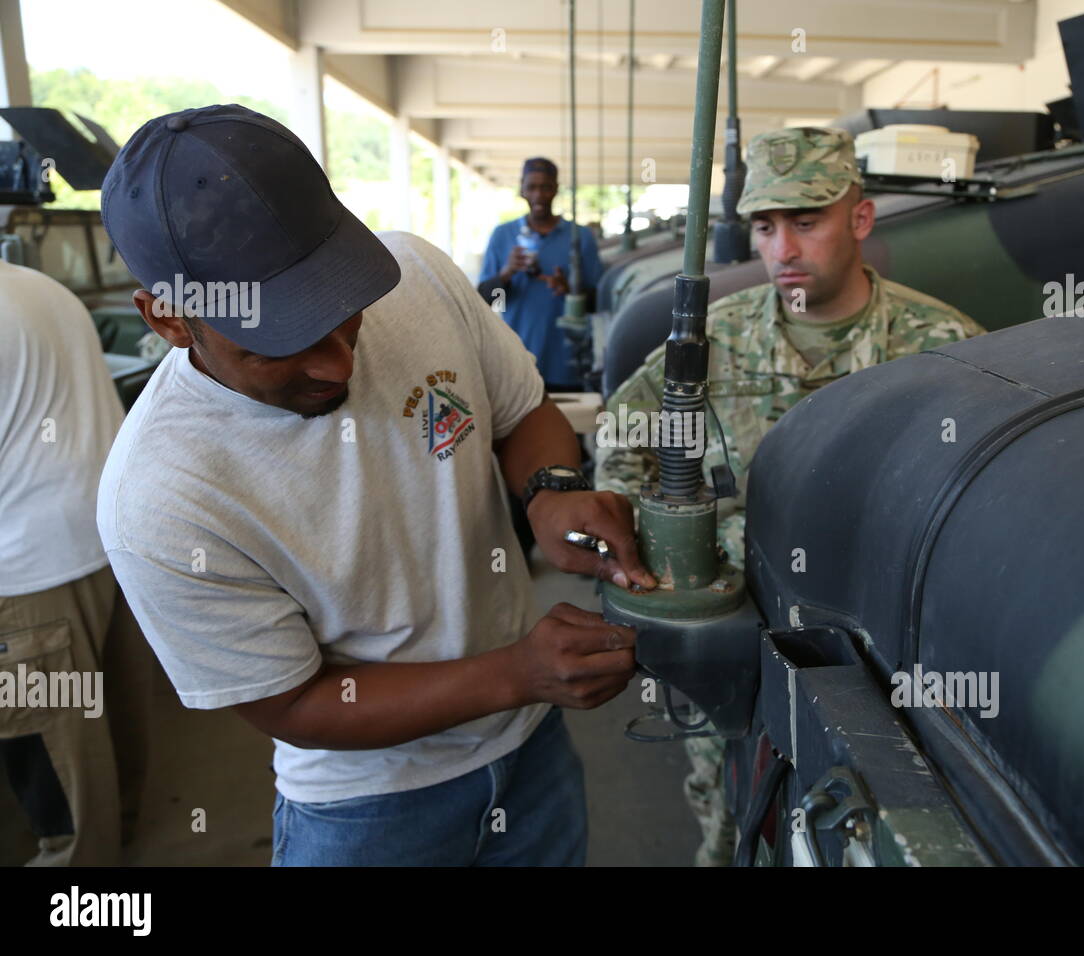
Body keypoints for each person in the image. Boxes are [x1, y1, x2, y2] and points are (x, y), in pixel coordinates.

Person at [96, 104, 655, 867]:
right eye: (281, 340)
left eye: (345, 312)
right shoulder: (161, 497)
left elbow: (522, 410)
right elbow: (295, 702)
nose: (338, 364)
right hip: (367, 813)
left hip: (533, 756)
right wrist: (517, 672)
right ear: (167, 319)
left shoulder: (417, 276)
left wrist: (551, 491)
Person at [595, 126, 985, 866]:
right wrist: (645, 531)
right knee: (730, 816)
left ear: (860, 220)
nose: (782, 250)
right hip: (737, 637)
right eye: (765, 227)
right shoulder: (715, 340)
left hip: (876, 661)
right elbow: (624, 432)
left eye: (806, 222)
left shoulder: (940, 347)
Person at [0, 257, 152, 866]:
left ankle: (74, 872)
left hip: (25, 566)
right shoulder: (42, 287)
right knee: (110, 714)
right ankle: (120, 832)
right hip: (102, 536)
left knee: (51, 748)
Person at [477, 158, 604, 391]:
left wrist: (571, 290)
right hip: (518, 361)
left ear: (556, 189)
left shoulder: (580, 236)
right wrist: (506, 273)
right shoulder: (503, 235)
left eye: (546, 187)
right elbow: (487, 301)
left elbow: (600, 303)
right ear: (522, 189)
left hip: (567, 363)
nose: (539, 195)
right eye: (532, 187)